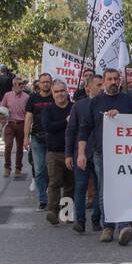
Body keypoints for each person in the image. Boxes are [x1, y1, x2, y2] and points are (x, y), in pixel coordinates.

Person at [78, 68, 132, 245]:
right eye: (109, 79)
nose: (113, 82)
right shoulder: (95, 102)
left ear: (120, 81)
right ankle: (108, 227)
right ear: (103, 82)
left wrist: (122, 118)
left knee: (125, 190)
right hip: (101, 153)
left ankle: (124, 226)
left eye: (115, 79)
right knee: (105, 191)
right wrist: (81, 153)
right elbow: (84, 129)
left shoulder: (129, 101)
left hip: (125, 154)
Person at [65, 74, 102, 233]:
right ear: (88, 89)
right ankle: (80, 220)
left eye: (102, 85)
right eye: (98, 85)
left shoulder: (107, 105)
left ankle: (96, 219)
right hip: (82, 154)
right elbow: (71, 130)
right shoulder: (79, 106)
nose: (102, 88)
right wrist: (68, 154)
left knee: (100, 188)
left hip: (100, 153)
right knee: (80, 187)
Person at [42, 79, 76, 225]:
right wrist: (66, 122)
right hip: (54, 152)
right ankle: (52, 211)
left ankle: (66, 213)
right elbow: (48, 127)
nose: (60, 94)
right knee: (54, 182)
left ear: (67, 91)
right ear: (52, 94)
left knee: (70, 184)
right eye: (56, 92)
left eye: (62, 91)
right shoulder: (47, 110)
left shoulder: (75, 108)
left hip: (71, 152)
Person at [24, 73, 55, 210]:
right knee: (39, 169)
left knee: (52, 169)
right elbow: (28, 118)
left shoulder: (55, 97)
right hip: (37, 137)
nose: (45, 84)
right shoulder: (33, 99)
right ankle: (43, 199)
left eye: (48, 82)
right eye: (43, 82)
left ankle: (53, 196)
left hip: (53, 137)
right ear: (39, 84)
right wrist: (26, 137)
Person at [0, 78, 29, 177]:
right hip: (10, 123)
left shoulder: (26, 97)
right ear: (14, 85)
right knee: (8, 145)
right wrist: (2, 118)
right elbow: (2, 108)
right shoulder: (7, 95)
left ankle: (18, 168)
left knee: (20, 148)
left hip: (22, 124)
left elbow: (29, 113)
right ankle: (7, 167)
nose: (21, 86)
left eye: (22, 84)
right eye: (19, 84)